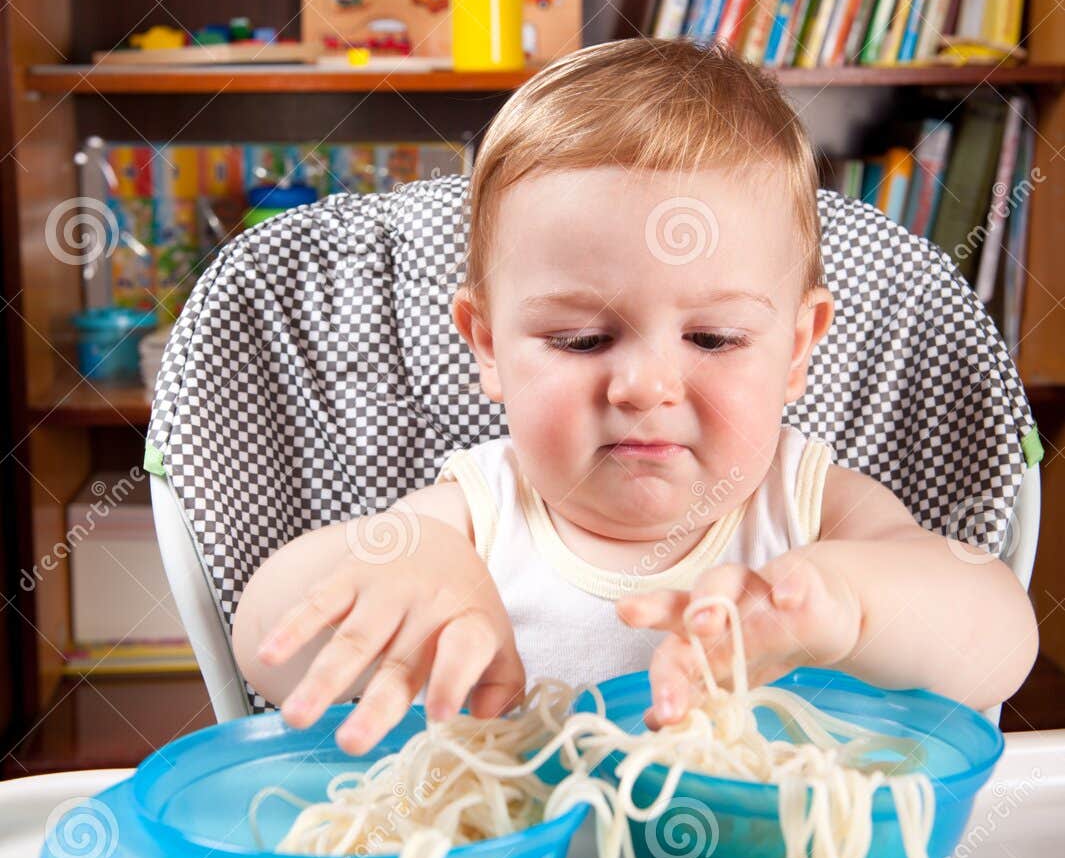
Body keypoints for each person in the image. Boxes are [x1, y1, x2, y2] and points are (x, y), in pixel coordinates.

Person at [232, 39, 1038, 753]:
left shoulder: (808, 508)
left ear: (795, 349)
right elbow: (266, 635)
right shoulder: (478, 514)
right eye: (580, 340)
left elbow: (996, 636)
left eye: (713, 339)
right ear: (485, 344)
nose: (644, 386)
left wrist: (849, 607)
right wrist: (410, 574)